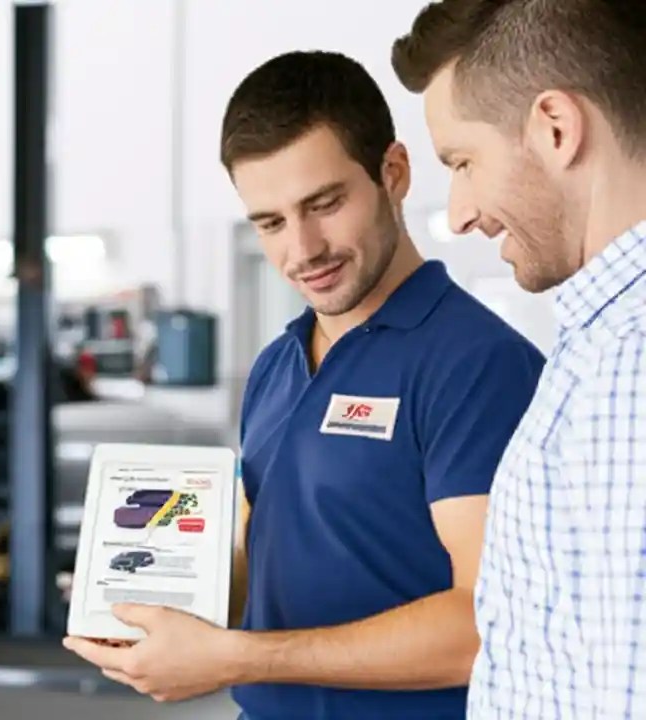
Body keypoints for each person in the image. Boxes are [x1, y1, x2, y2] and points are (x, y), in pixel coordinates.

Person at [63, 50, 546, 719]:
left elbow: (484, 625)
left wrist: (236, 658)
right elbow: (260, 558)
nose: (302, 248)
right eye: (270, 222)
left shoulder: (478, 364)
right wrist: (136, 603)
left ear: (394, 174)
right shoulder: (276, 366)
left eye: (324, 204)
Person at [391, 2, 646, 717]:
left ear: (555, 128)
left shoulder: (627, 370)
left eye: (463, 162)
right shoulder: (594, 348)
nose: (462, 211)